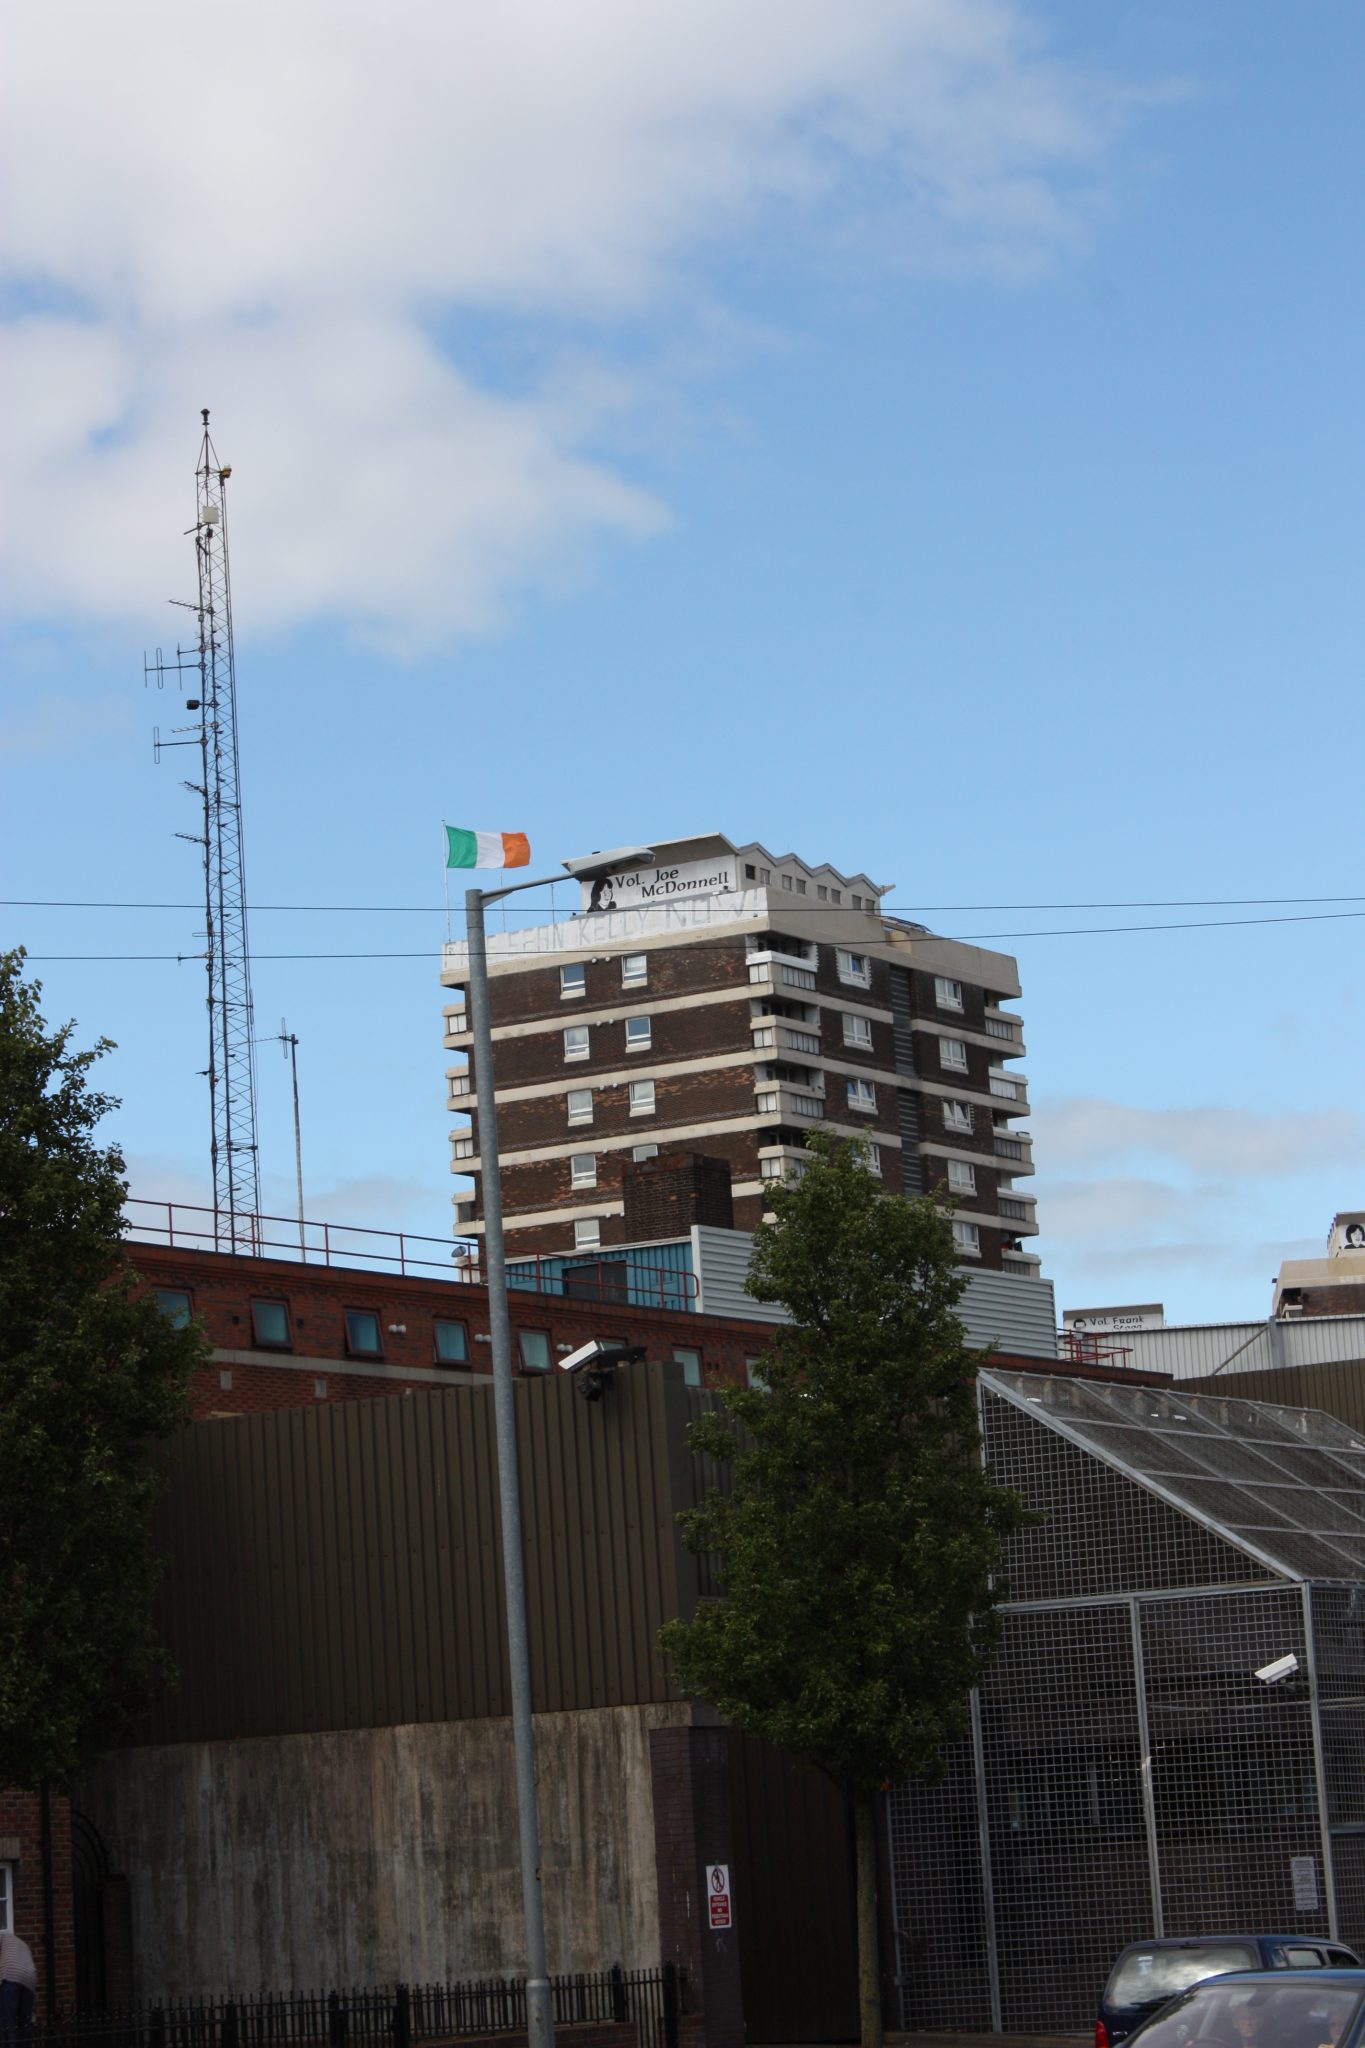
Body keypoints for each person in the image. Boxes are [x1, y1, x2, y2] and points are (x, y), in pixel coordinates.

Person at [0, 1928, 37, 2047]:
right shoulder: (21, 1943)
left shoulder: (2, 1938)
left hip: (11, 1975)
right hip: (30, 1978)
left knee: (7, 2023)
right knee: (24, 2024)